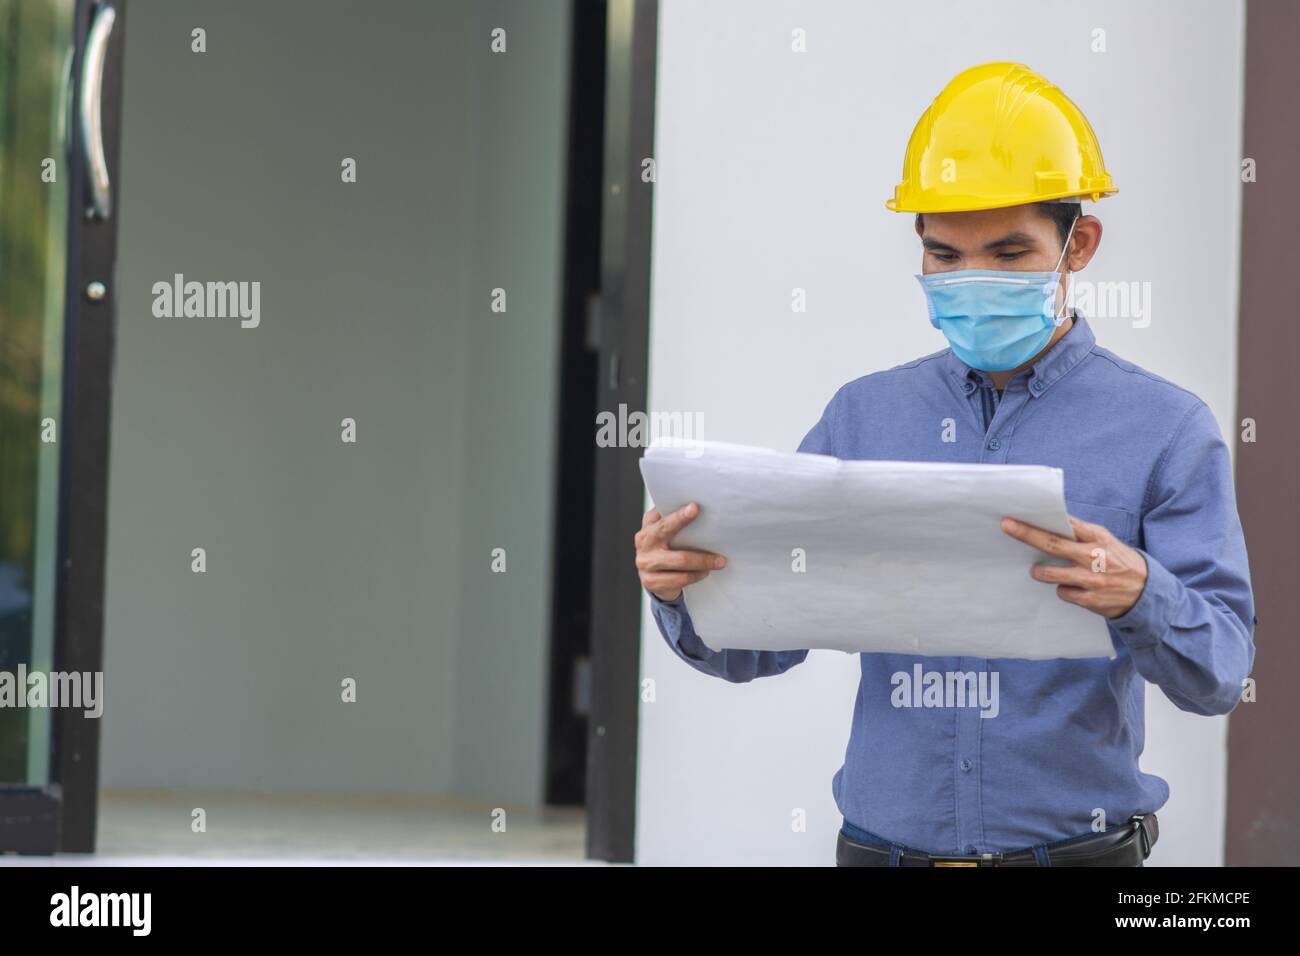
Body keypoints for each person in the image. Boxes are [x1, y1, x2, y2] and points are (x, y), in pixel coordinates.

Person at [634, 62, 1255, 867]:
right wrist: (685, 590)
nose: (974, 281)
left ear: (1080, 245)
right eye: (945, 255)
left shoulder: (1165, 429)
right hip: (879, 853)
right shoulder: (863, 416)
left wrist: (1142, 589)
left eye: (1008, 252)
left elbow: (1220, 674)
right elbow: (758, 644)